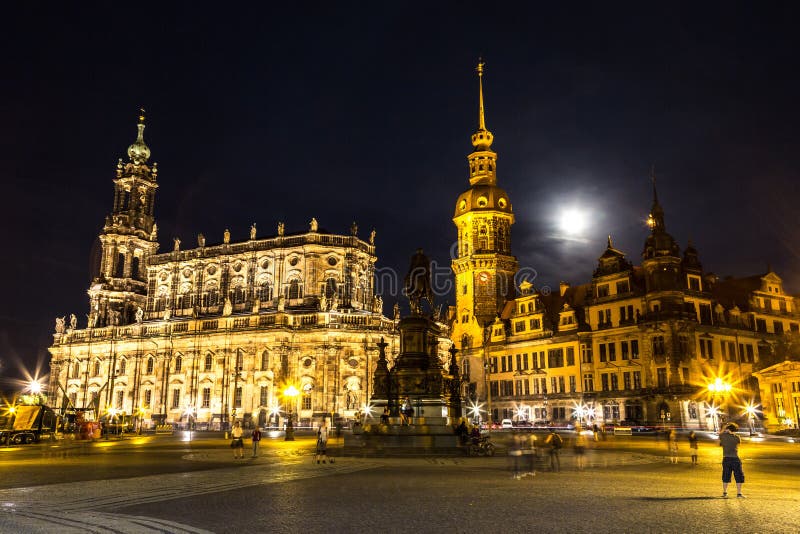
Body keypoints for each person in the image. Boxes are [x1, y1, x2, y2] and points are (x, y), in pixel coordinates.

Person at [720, 422, 745, 498]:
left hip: (726, 458)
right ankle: (739, 493)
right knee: (738, 476)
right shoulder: (737, 437)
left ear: (728, 429)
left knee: (726, 475)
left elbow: (720, 434)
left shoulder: (723, 436)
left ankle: (725, 492)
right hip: (735, 458)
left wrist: (724, 428)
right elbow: (739, 443)